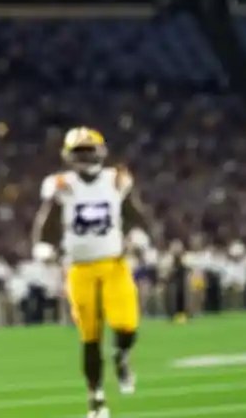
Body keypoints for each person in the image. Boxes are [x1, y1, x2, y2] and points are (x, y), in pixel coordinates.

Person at [33, 127, 156, 418]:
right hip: (79, 268)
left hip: (113, 264)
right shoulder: (61, 184)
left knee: (127, 324)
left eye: (89, 150)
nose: (85, 157)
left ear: (100, 152)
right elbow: (47, 220)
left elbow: (134, 213)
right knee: (90, 336)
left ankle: (122, 356)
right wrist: (42, 245)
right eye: (79, 152)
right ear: (68, 156)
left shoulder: (116, 180)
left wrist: (141, 235)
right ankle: (96, 399)